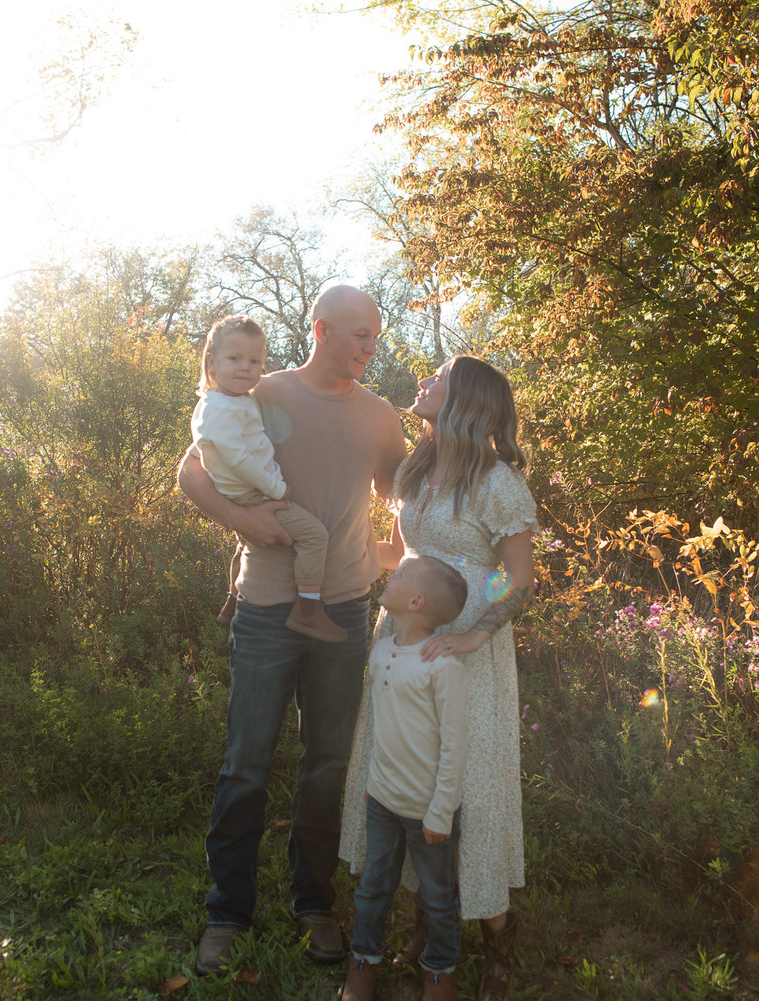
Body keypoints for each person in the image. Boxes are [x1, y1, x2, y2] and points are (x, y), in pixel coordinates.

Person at [176, 285, 407, 975]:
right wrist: (245, 523)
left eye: (375, 338)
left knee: (329, 762)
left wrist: (394, 558)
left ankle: (315, 902)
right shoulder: (260, 390)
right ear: (320, 328)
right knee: (246, 761)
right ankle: (227, 911)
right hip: (267, 608)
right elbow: (191, 472)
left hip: (346, 609)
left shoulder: (379, 414)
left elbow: (407, 496)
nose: (370, 348)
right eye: (360, 336)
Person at [340, 355, 538, 1001]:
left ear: (468, 401)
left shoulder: (498, 483)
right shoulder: (416, 470)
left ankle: (497, 940)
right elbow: (408, 553)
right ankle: (430, 927)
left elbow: (515, 575)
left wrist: (477, 628)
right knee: (402, 778)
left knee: (468, 795)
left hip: (466, 654)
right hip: (405, 639)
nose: (424, 380)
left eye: (440, 375)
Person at [342, 555, 470, 1001]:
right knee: (373, 887)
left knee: (438, 897)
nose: (389, 573)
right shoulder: (380, 651)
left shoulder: (442, 666)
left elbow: (456, 745)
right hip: (382, 801)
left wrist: (441, 811)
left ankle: (439, 972)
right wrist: (372, 785)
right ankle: (363, 963)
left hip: (427, 811)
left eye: (399, 574)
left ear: (416, 601)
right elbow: (381, 726)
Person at [191, 313, 346, 643]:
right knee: (315, 536)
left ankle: (232, 601)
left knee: (244, 541)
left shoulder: (229, 400)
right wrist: (275, 488)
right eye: (235, 359)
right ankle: (308, 610)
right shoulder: (221, 408)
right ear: (212, 363)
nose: (246, 368)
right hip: (254, 493)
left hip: (246, 491)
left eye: (255, 360)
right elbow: (236, 458)